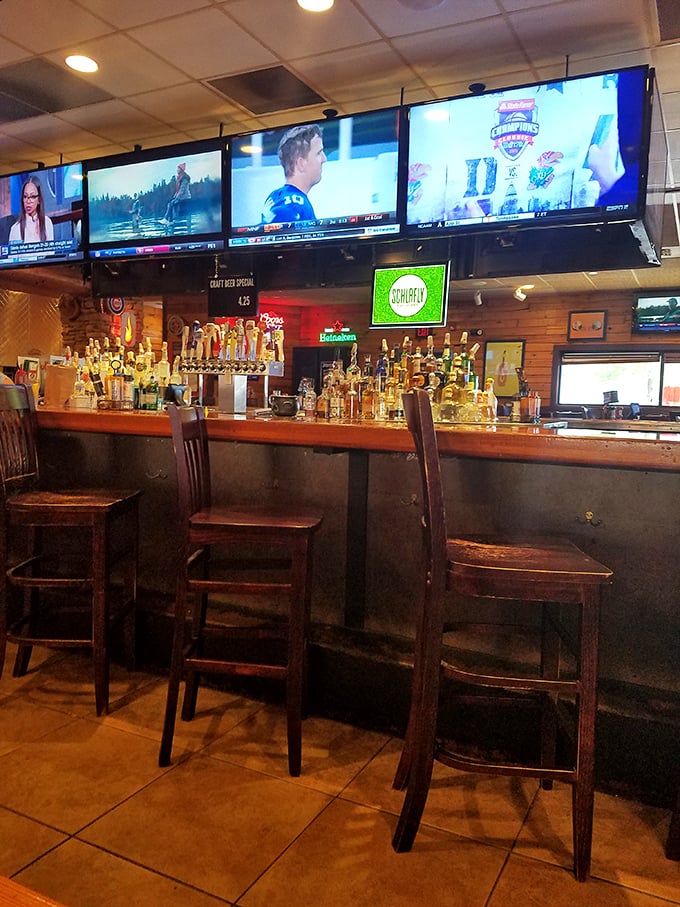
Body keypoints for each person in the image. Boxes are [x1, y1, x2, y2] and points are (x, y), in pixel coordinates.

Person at [261, 124, 327, 224]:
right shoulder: (296, 202)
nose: (324, 159)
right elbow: (280, 218)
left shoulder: (275, 196)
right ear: (301, 163)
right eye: (319, 153)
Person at [9, 175, 54, 243]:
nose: (28, 201)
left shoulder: (47, 223)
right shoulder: (16, 229)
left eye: (32, 196)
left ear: (39, 199)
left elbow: (51, 252)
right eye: (25, 196)